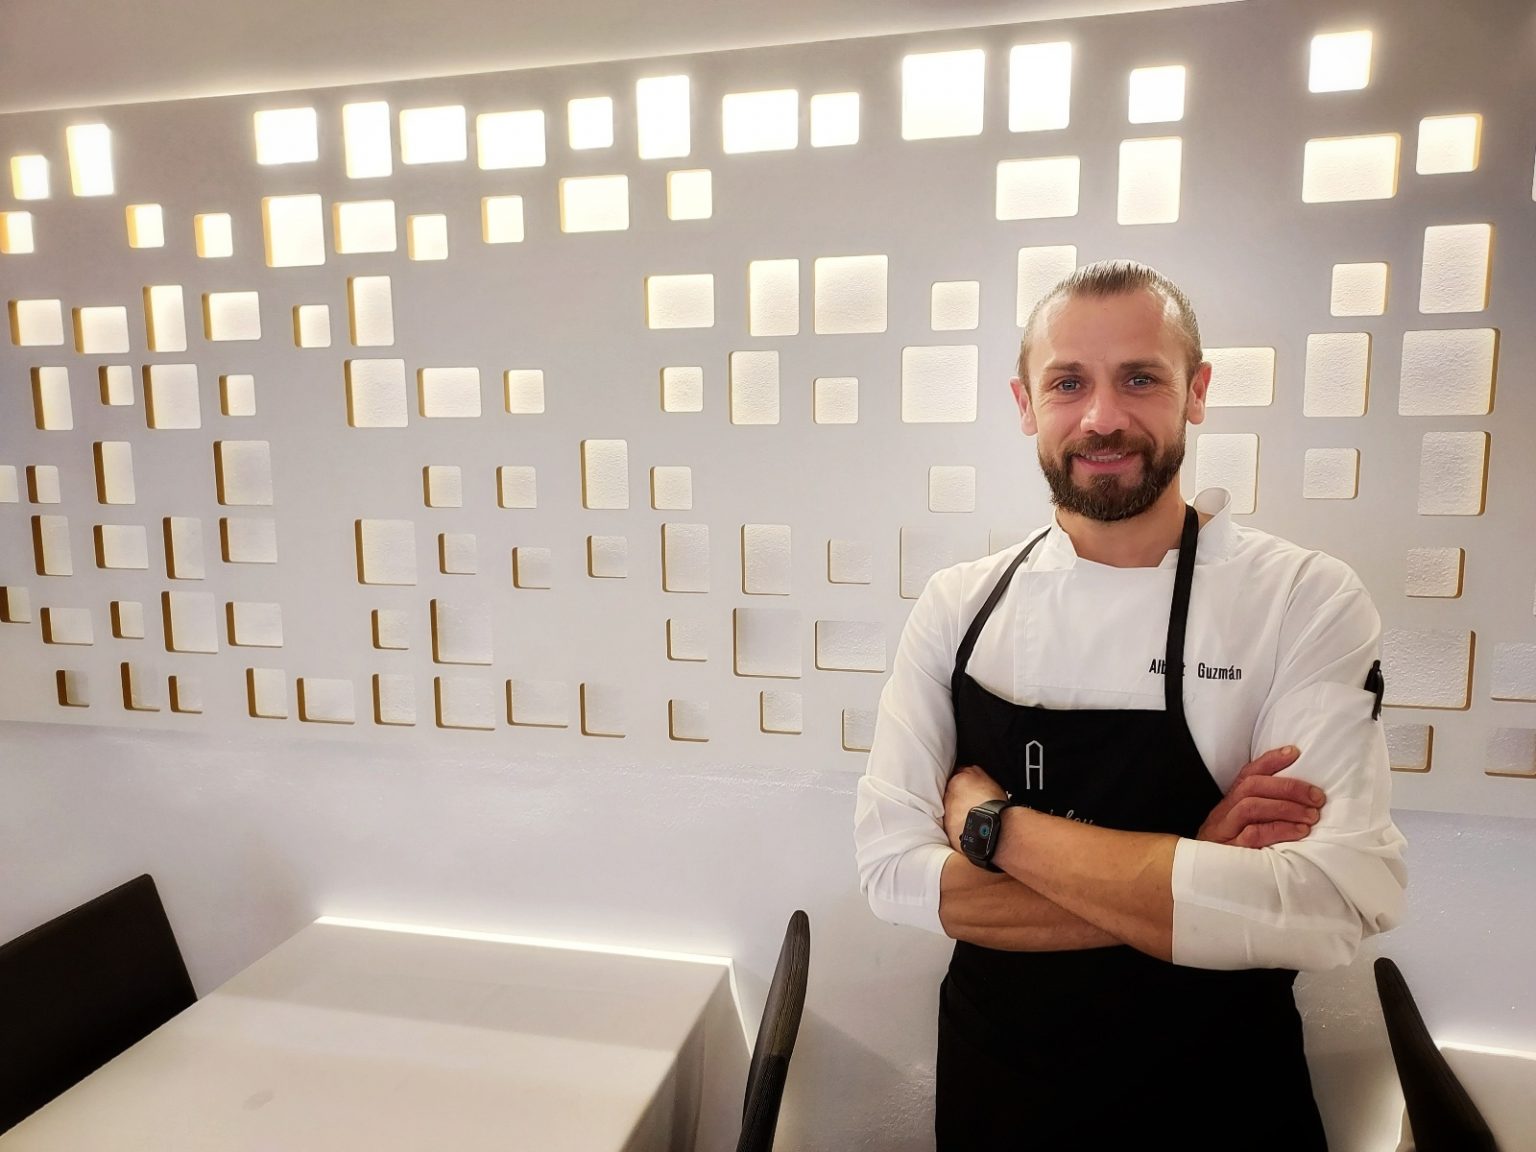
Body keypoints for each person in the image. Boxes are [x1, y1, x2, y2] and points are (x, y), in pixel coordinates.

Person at [853, 260, 1406, 1149]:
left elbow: (1330, 903)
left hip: (1222, 1099)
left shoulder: (1301, 598)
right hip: (1002, 1096)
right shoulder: (959, 605)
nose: (1102, 418)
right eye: (1068, 383)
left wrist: (996, 829)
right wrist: (1201, 862)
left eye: (1140, 378)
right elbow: (892, 877)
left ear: (1197, 391)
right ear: (1026, 404)